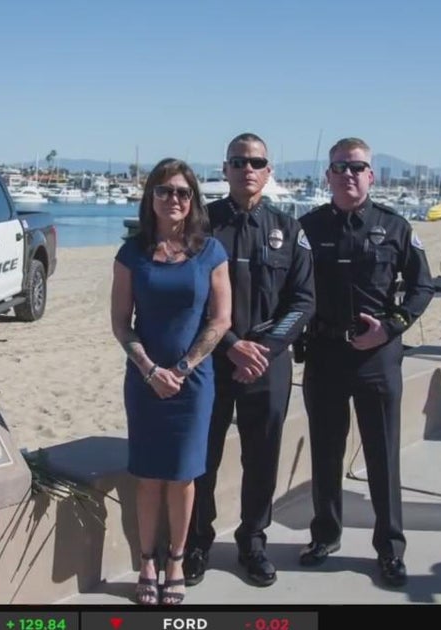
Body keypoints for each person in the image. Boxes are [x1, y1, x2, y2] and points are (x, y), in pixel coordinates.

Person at [296, 138, 434, 586]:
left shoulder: (393, 226)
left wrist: (391, 326)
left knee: (382, 456)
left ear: (371, 175)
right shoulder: (307, 227)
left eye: (357, 167)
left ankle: (390, 549)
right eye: (340, 167)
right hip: (324, 354)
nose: (348, 174)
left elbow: (421, 287)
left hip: (377, 356)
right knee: (326, 452)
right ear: (328, 175)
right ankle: (325, 535)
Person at [184, 133, 315, 588]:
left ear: (268, 170)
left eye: (256, 161)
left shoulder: (289, 228)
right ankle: (198, 539)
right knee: (204, 454)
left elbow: (302, 301)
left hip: (267, 362)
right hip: (213, 360)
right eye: (238, 161)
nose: (247, 169)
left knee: (263, 456)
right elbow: (192, 297)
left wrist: (264, 349)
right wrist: (230, 344)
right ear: (225, 169)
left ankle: (252, 541)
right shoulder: (201, 225)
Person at [110, 158, 232, 605]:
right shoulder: (132, 253)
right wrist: (148, 369)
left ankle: (176, 560)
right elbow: (122, 324)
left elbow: (221, 320)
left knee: (182, 477)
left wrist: (181, 369)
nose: (174, 199)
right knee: (147, 476)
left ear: (193, 199)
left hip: (193, 383)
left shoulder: (210, 252)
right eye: (164, 191)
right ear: (151, 198)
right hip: (144, 381)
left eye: (182, 192)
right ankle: (146, 559)